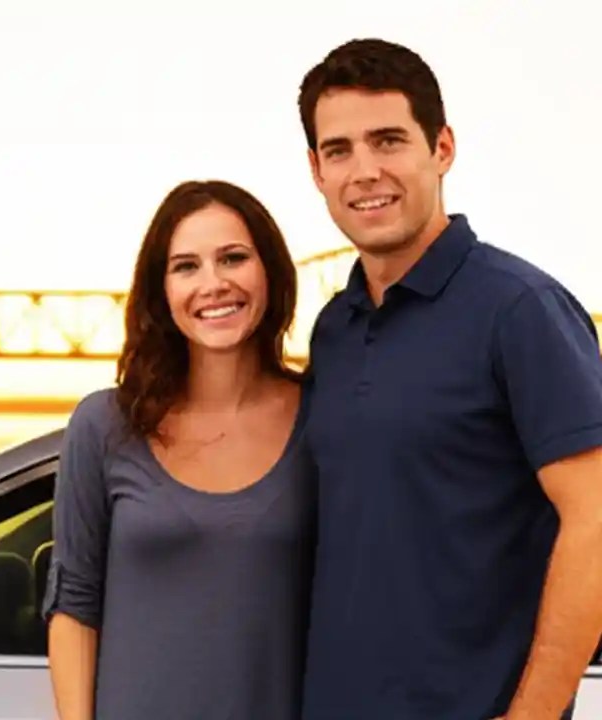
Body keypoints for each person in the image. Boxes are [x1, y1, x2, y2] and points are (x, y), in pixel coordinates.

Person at [296, 38, 602, 720]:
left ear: (442, 148)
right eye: (339, 150)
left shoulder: (518, 309)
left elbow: (597, 518)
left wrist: (534, 715)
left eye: (388, 141)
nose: (365, 171)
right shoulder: (333, 330)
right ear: (316, 171)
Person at [42, 179, 318, 720]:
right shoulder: (103, 425)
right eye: (186, 266)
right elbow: (75, 604)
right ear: (160, 291)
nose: (212, 284)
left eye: (233, 258)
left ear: (271, 272)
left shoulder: (325, 419)